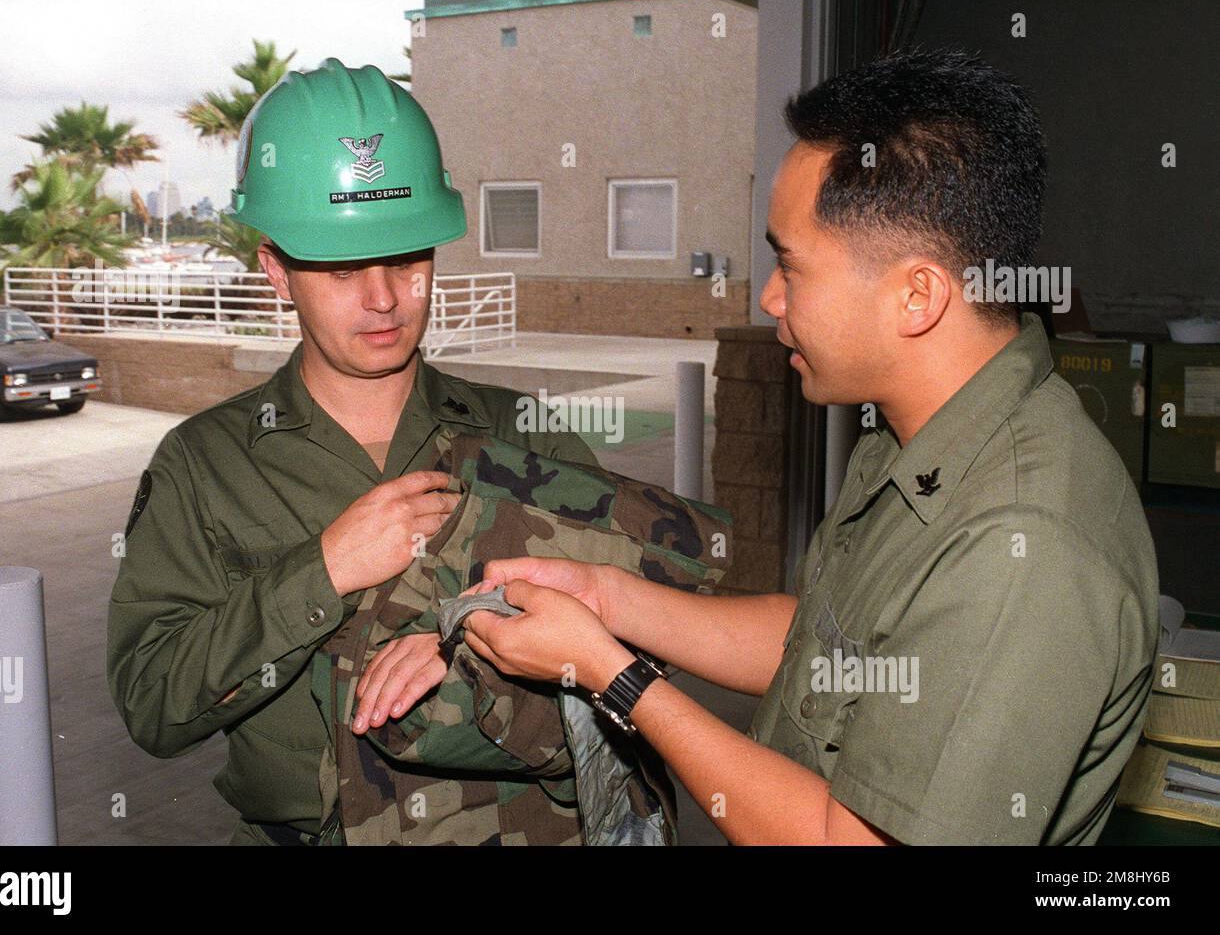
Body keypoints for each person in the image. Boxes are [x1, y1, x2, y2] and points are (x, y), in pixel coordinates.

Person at [383, 49, 1160, 845]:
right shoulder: (918, 433)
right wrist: (608, 600)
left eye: (792, 264)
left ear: (917, 295)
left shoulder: (1023, 547)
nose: (769, 296)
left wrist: (616, 678)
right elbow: (827, 650)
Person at [106, 59, 598, 845]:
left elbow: (643, 643)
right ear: (276, 270)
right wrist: (322, 571)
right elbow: (152, 703)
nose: (382, 297)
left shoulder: (526, 435)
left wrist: (478, 659)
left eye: (407, 258)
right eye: (340, 267)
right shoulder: (204, 467)